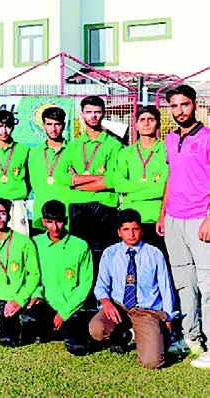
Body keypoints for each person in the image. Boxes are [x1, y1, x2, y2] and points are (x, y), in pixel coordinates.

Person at [157, 84, 210, 365]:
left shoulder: (207, 138)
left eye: (184, 104)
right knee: (184, 284)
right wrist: (163, 213)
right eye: (174, 106)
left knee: (207, 284)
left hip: (201, 218)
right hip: (174, 220)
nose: (179, 111)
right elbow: (172, 177)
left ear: (195, 105)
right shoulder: (169, 139)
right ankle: (192, 338)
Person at [89, 209, 177, 369]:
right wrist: (106, 303)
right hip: (119, 307)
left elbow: (166, 287)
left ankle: (150, 333)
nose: (131, 234)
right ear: (119, 232)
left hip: (146, 310)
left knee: (153, 362)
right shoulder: (110, 253)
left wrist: (168, 317)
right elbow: (101, 285)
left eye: (135, 229)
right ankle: (124, 335)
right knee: (97, 328)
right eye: (126, 229)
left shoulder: (154, 253)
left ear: (141, 230)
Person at [30, 200, 95, 355]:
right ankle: (54, 330)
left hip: (71, 307)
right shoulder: (36, 243)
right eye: (50, 222)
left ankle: (67, 329)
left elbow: (85, 284)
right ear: (43, 222)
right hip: (47, 305)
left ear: (65, 220)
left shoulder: (80, 246)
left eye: (59, 221)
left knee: (78, 349)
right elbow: (32, 275)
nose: (55, 227)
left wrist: (63, 313)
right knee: (29, 321)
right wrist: (37, 295)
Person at [61, 96, 122, 260]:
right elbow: (62, 177)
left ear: (104, 114)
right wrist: (99, 179)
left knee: (105, 256)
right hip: (77, 205)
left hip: (105, 205)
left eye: (97, 112)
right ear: (82, 114)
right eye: (88, 112)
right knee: (79, 255)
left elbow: (112, 179)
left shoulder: (113, 145)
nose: (93, 116)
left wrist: (78, 180)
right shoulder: (73, 145)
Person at [0, 198, 42, 347]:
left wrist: (19, 300)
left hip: (14, 299)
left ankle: (10, 323)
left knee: (8, 340)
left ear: (8, 216)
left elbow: (34, 274)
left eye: (2, 213)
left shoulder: (24, 242)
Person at [114, 106, 168, 252]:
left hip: (156, 217)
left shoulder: (166, 151)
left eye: (151, 119)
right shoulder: (125, 153)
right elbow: (119, 185)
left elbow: (163, 188)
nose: (146, 123)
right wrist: (150, 184)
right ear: (136, 125)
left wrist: (132, 194)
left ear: (158, 124)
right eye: (142, 120)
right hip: (130, 219)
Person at [27, 107, 73, 235]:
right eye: (49, 124)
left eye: (57, 124)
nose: (53, 129)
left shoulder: (74, 150)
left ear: (64, 125)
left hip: (66, 213)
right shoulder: (34, 152)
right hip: (41, 213)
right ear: (43, 125)